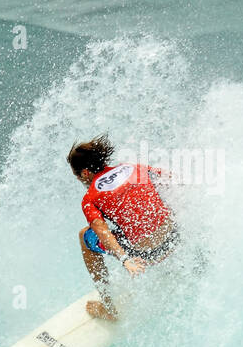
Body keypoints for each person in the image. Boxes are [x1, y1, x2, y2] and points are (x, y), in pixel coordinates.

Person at [68, 134, 178, 320]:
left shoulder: (90, 198)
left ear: (85, 173)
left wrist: (125, 259)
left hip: (146, 254)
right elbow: (173, 180)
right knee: (167, 201)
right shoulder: (135, 168)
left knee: (84, 237)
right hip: (175, 238)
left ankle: (109, 308)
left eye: (77, 176)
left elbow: (102, 231)